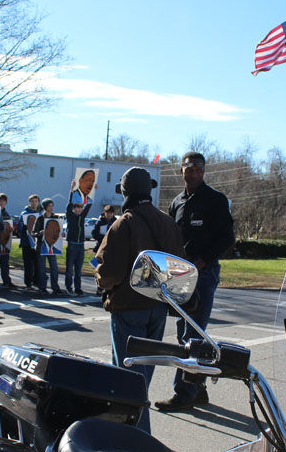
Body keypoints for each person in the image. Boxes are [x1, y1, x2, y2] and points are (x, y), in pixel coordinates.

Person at [95, 167, 185, 433]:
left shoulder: (123, 224)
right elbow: (179, 265)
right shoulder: (167, 222)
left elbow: (110, 272)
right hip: (158, 306)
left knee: (128, 380)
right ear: (149, 190)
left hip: (128, 306)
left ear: (124, 192)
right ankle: (128, 432)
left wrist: (100, 277)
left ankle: (136, 437)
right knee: (142, 376)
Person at [156, 151, 235, 413]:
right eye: (189, 169)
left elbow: (226, 238)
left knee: (193, 333)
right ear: (181, 170)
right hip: (180, 274)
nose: (194, 174)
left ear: (204, 171)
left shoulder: (215, 200)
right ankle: (198, 388)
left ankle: (184, 393)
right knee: (184, 332)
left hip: (204, 274)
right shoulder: (177, 202)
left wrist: (204, 259)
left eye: (199, 169)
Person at [33, 198, 62, 295]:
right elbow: (34, 233)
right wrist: (40, 233)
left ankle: (55, 287)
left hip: (53, 247)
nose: (51, 207)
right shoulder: (40, 218)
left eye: (52, 205)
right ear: (45, 207)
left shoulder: (56, 218)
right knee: (42, 268)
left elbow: (58, 230)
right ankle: (42, 287)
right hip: (42, 247)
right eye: (49, 206)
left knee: (54, 267)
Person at [18, 194, 42, 289]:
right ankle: (28, 282)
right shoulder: (24, 214)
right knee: (28, 263)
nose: (34, 203)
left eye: (36, 201)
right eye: (32, 201)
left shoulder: (40, 214)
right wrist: (23, 228)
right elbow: (19, 228)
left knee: (37, 263)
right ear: (29, 202)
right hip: (26, 242)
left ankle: (36, 281)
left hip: (37, 243)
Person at [65, 200, 88, 295]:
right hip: (72, 244)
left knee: (78, 269)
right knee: (70, 268)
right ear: (73, 209)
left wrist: (92, 192)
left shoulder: (82, 217)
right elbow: (69, 206)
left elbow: (89, 205)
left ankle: (78, 288)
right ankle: (69, 287)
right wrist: (72, 192)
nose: (79, 209)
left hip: (81, 245)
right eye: (77, 207)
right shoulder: (70, 216)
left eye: (80, 208)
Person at [0, 193, 15, 289]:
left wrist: (10, 229)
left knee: (4, 262)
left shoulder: (6, 214)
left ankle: (6, 280)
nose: (1, 202)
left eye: (3, 201)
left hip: (4, 241)